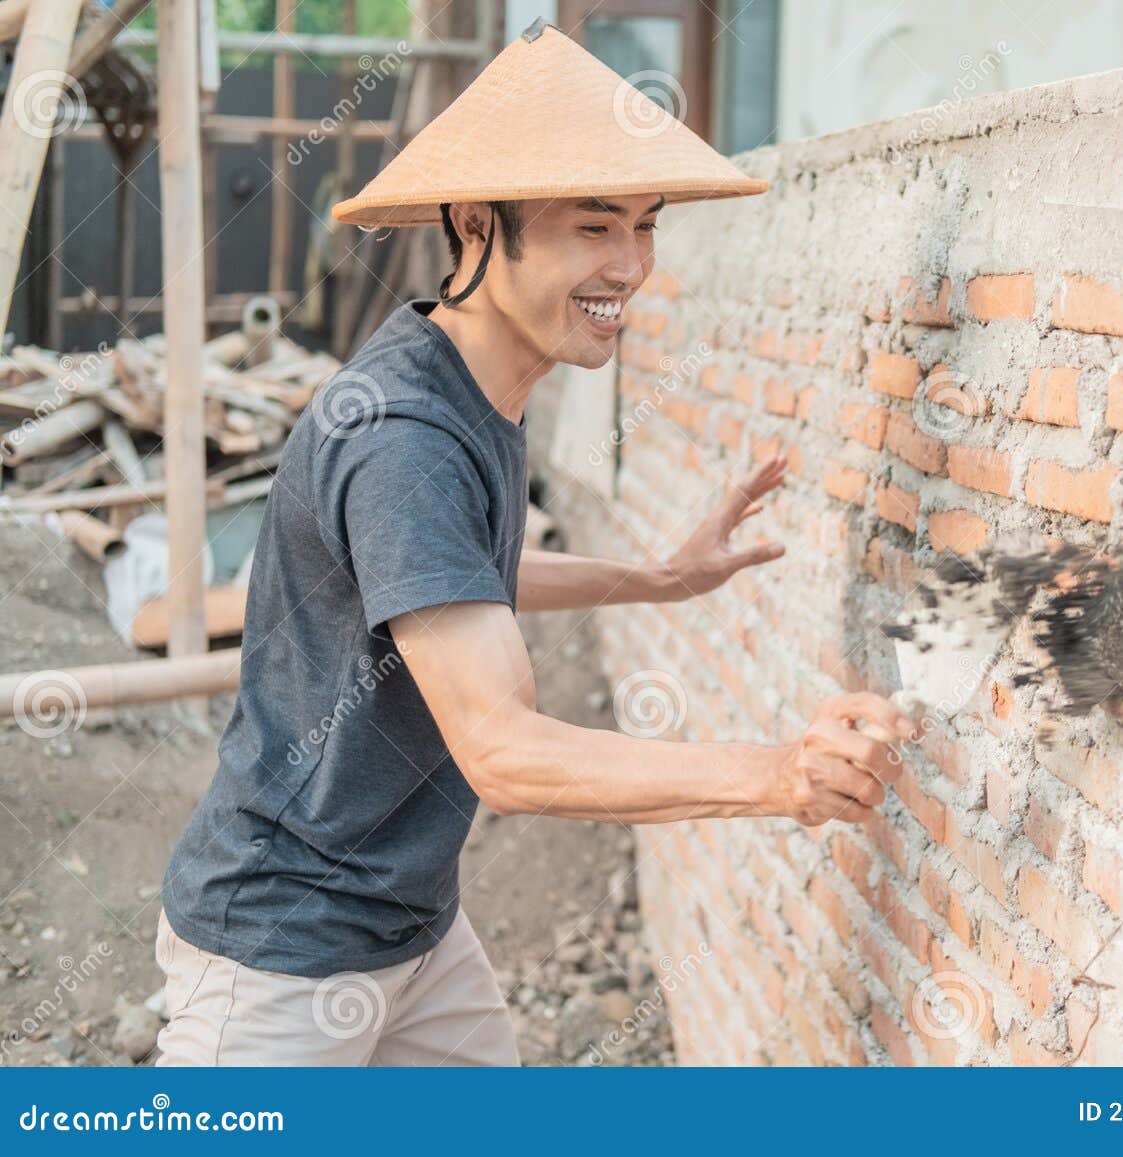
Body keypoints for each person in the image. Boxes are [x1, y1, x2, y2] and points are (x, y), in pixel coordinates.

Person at [153, 20, 917, 1067]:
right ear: (477, 222)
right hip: (281, 953)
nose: (632, 266)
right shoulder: (404, 440)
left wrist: (656, 579)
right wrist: (777, 773)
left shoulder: (471, 377)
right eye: (593, 228)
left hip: (412, 927)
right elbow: (504, 751)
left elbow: (458, 571)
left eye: (645, 226)